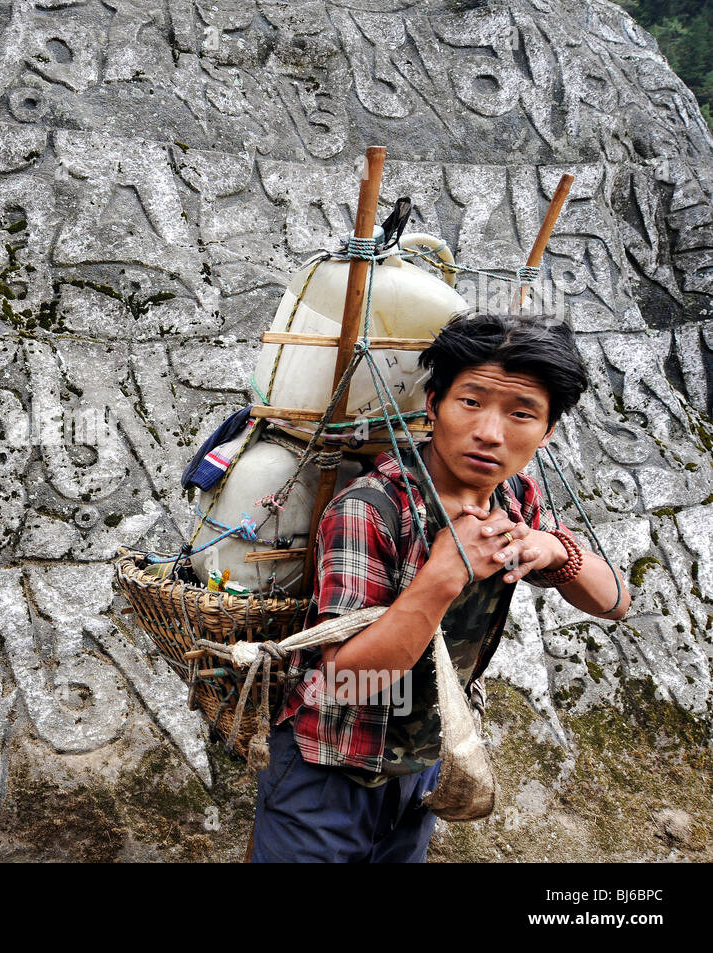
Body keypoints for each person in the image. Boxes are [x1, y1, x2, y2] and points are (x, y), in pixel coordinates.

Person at [250, 311, 632, 863]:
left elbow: (615, 602)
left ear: (547, 432)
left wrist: (553, 550)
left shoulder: (515, 500)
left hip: (421, 765)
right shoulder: (373, 508)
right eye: (471, 402)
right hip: (329, 764)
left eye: (521, 413)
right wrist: (443, 575)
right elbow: (347, 682)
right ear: (433, 405)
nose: (490, 433)